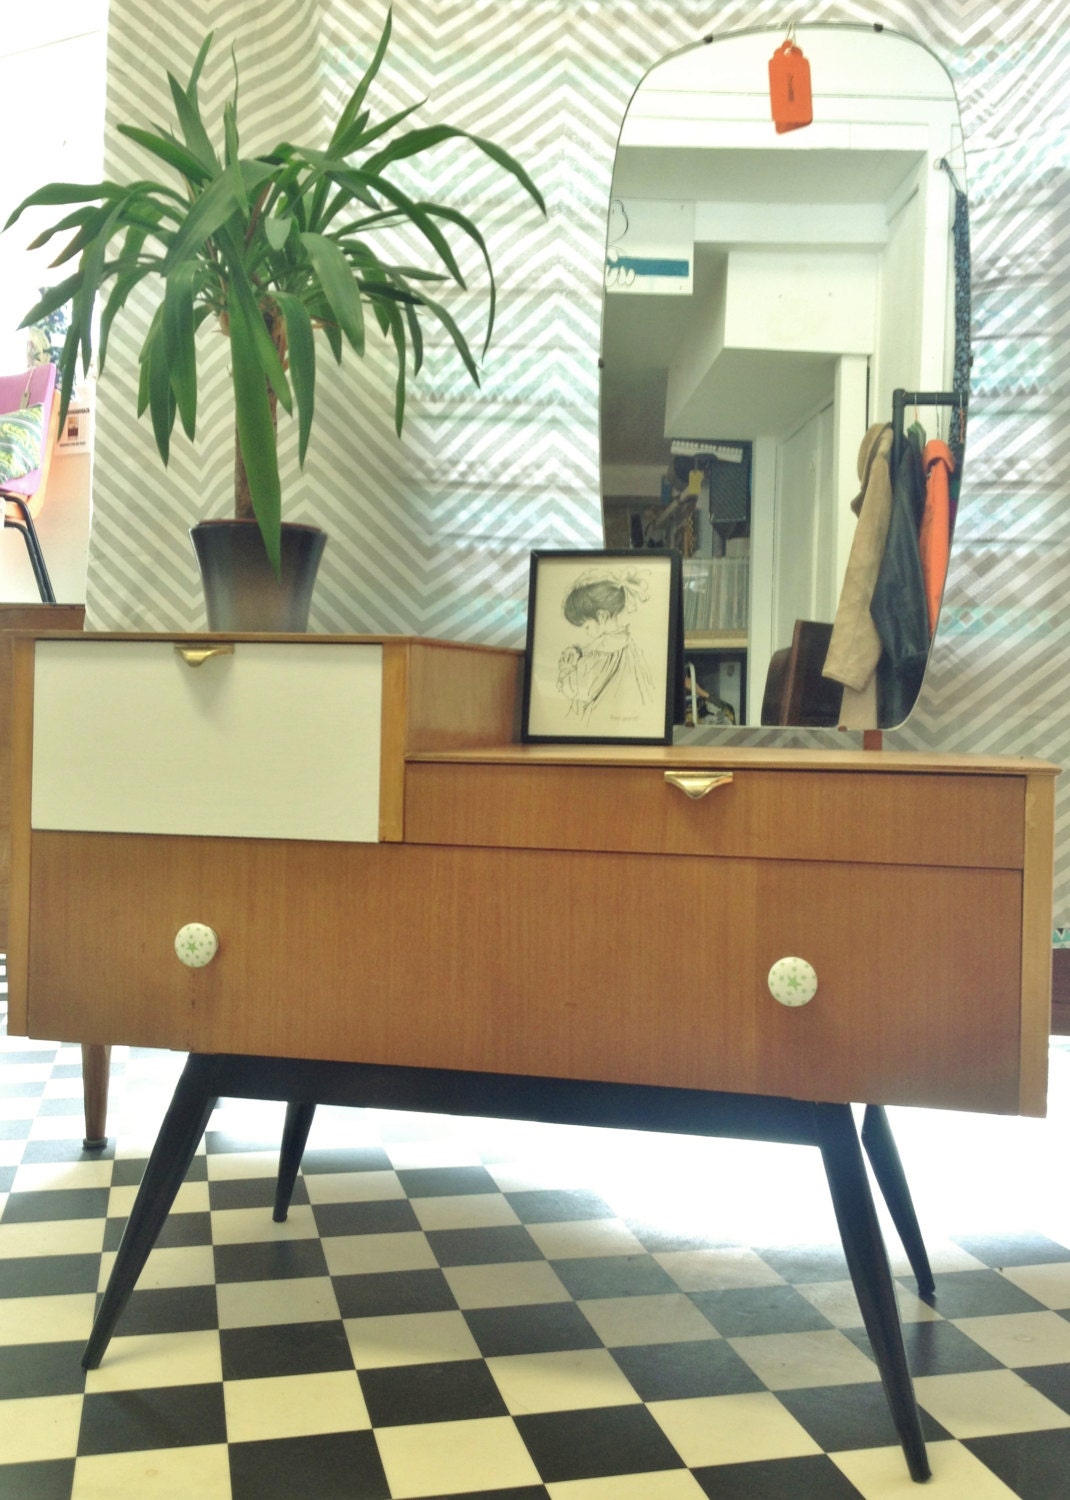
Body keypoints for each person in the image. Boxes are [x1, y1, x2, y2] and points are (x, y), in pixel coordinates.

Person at [556, 567, 656, 728]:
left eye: (586, 626)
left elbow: (579, 689)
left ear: (602, 616)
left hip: (602, 719)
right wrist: (579, 652)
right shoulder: (622, 641)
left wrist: (566, 669)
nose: (586, 632)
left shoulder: (605, 650)